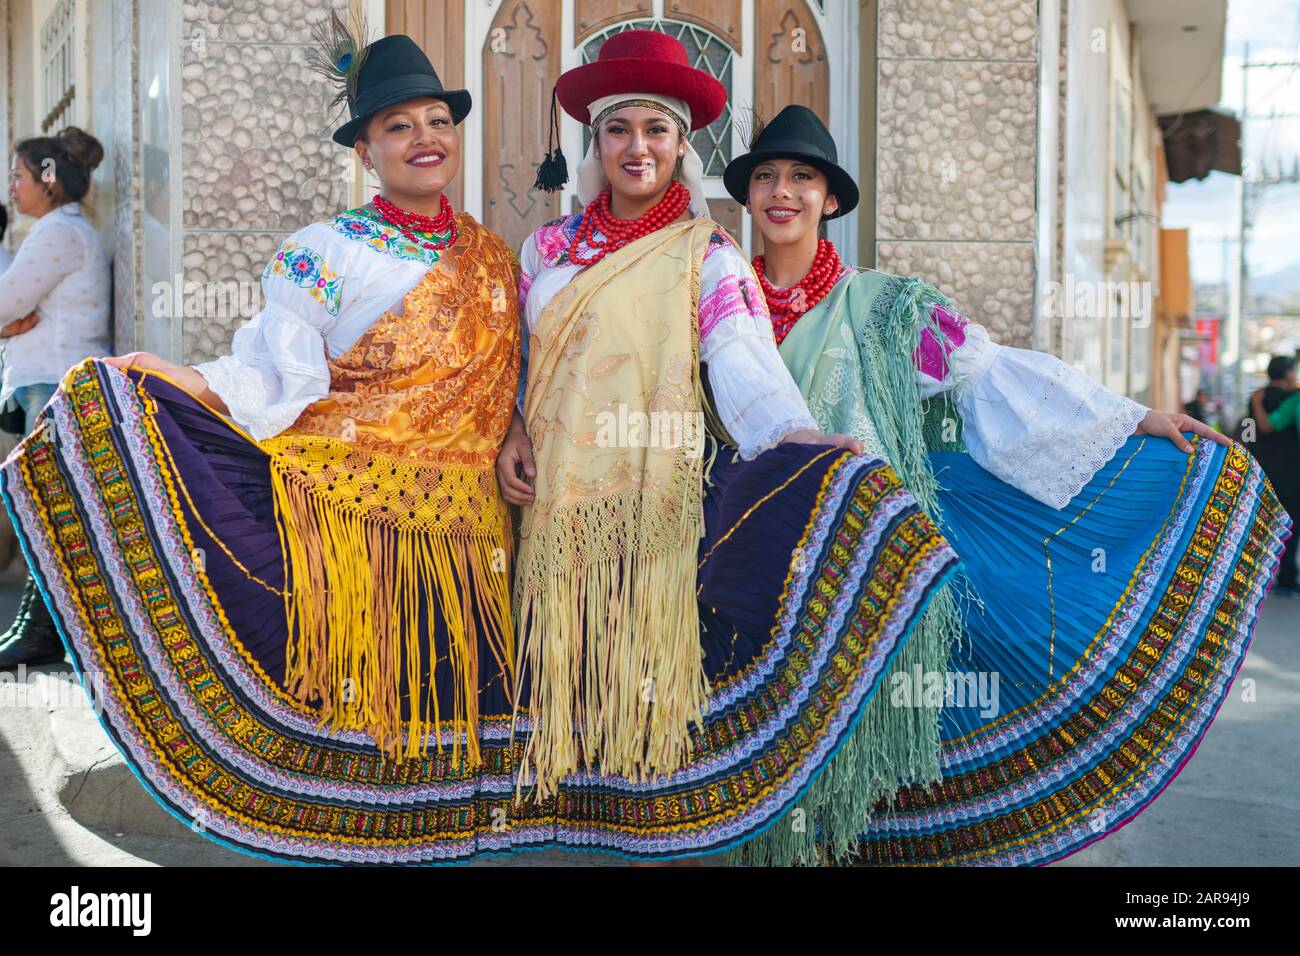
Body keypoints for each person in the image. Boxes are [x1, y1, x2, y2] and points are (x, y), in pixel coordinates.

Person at [0, 24, 541, 864]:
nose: (424, 139)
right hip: (351, 523)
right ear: (366, 150)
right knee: (367, 716)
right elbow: (269, 375)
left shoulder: (498, 261)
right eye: (399, 126)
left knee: (447, 719)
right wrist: (164, 376)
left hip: (466, 534)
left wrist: (511, 430)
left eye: (438, 120)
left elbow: (509, 377)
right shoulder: (327, 253)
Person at [718, 104, 1291, 865]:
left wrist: (1132, 420)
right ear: (749, 197)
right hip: (757, 560)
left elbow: (993, 381)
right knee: (764, 743)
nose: (780, 191)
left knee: (856, 756)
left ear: (830, 199)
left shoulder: (887, 309)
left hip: (867, 565)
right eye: (765, 176)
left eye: (801, 177)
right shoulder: (725, 308)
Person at [498, 30, 959, 865]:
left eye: (657, 130)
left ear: (683, 145)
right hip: (553, 514)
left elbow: (742, 360)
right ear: (594, 142)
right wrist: (516, 430)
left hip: (656, 517)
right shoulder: (546, 253)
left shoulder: (708, 256)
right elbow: (525, 364)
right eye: (619, 129)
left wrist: (800, 442)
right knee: (562, 705)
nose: (637, 147)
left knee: (646, 719)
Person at [0, 127, 111, 668]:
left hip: (53, 382)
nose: (11, 186)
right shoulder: (62, 230)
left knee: (45, 508)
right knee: (45, 506)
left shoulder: (57, 233)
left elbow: (5, 302)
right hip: (50, 379)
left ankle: (41, 633)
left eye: (18, 175)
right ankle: (37, 628)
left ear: (48, 181)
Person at [1250, 356, 1299, 594]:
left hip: (1263, 468)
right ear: (1288, 373)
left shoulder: (1256, 398)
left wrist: (1249, 450)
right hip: (1291, 471)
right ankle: (1286, 576)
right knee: (1291, 522)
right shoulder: (1294, 400)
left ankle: (1254, 573)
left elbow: (1248, 428)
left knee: (1261, 521)